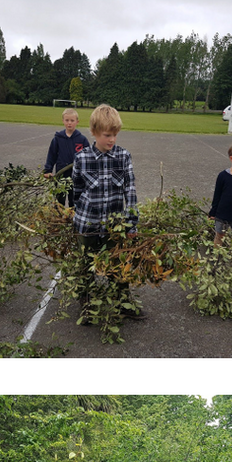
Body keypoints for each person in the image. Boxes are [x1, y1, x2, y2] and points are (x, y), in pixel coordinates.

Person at [71, 104, 141, 319]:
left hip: (114, 225)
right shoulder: (82, 158)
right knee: (86, 264)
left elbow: (130, 189)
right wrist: (77, 217)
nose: (112, 140)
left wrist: (131, 222)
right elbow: (77, 190)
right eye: (107, 135)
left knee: (118, 263)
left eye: (115, 135)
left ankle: (122, 302)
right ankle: (86, 304)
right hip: (88, 224)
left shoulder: (123, 157)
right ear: (93, 132)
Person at [43, 108, 91, 207]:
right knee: (59, 199)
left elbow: (88, 158)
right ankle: (59, 218)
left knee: (74, 200)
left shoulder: (82, 139)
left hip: (76, 176)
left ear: (77, 122)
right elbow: (51, 155)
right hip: (61, 174)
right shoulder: (57, 139)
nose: (69, 123)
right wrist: (48, 170)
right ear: (63, 121)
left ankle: (73, 219)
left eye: (72, 121)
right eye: (67, 120)